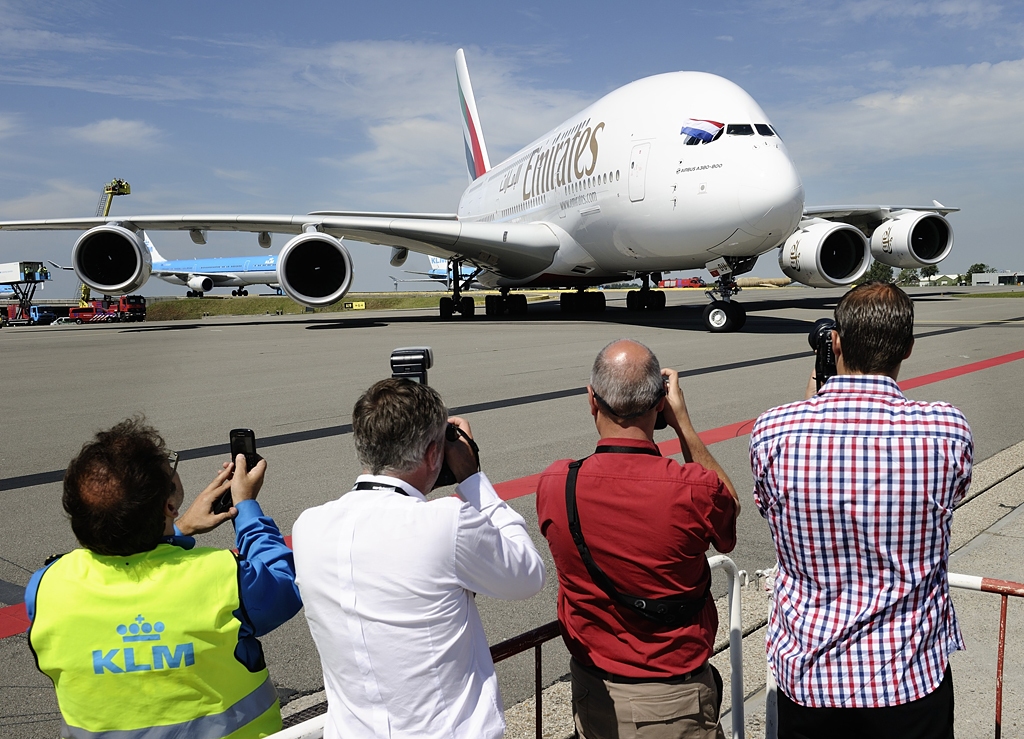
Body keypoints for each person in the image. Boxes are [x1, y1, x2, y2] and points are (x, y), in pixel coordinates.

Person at [749, 282, 973, 739]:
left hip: (811, 678)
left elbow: (771, 504)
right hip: (909, 677)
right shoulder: (946, 429)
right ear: (907, 349)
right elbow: (952, 497)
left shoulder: (775, 429)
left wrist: (813, 401)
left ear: (834, 342)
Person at [292, 378, 546, 739]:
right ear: (432, 454)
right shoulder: (445, 522)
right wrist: (473, 478)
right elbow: (528, 575)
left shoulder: (308, 527)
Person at [26, 418, 302, 739]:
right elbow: (282, 581)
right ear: (169, 504)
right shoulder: (220, 576)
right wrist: (247, 507)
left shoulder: (47, 586)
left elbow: (135, 574)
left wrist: (179, 527)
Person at [536, 339, 740, 739]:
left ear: (591, 400)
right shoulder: (694, 490)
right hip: (674, 705)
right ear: (660, 403)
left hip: (593, 696)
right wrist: (683, 423)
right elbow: (728, 517)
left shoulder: (556, 483)